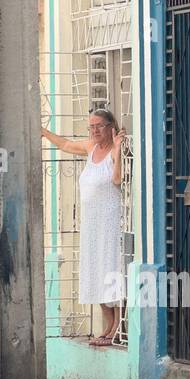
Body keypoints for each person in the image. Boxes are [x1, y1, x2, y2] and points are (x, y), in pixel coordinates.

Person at [42, 109, 127, 346]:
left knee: (112, 269)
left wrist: (118, 150)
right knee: (95, 270)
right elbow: (65, 144)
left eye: (98, 126)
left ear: (111, 126)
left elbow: (118, 179)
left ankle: (118, 327)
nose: (94, 131)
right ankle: (108, 325)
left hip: (110, 221)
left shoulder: (113, 151)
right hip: (91, 223)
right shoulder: (90, 148)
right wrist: (44, 132)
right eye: (91, 127)